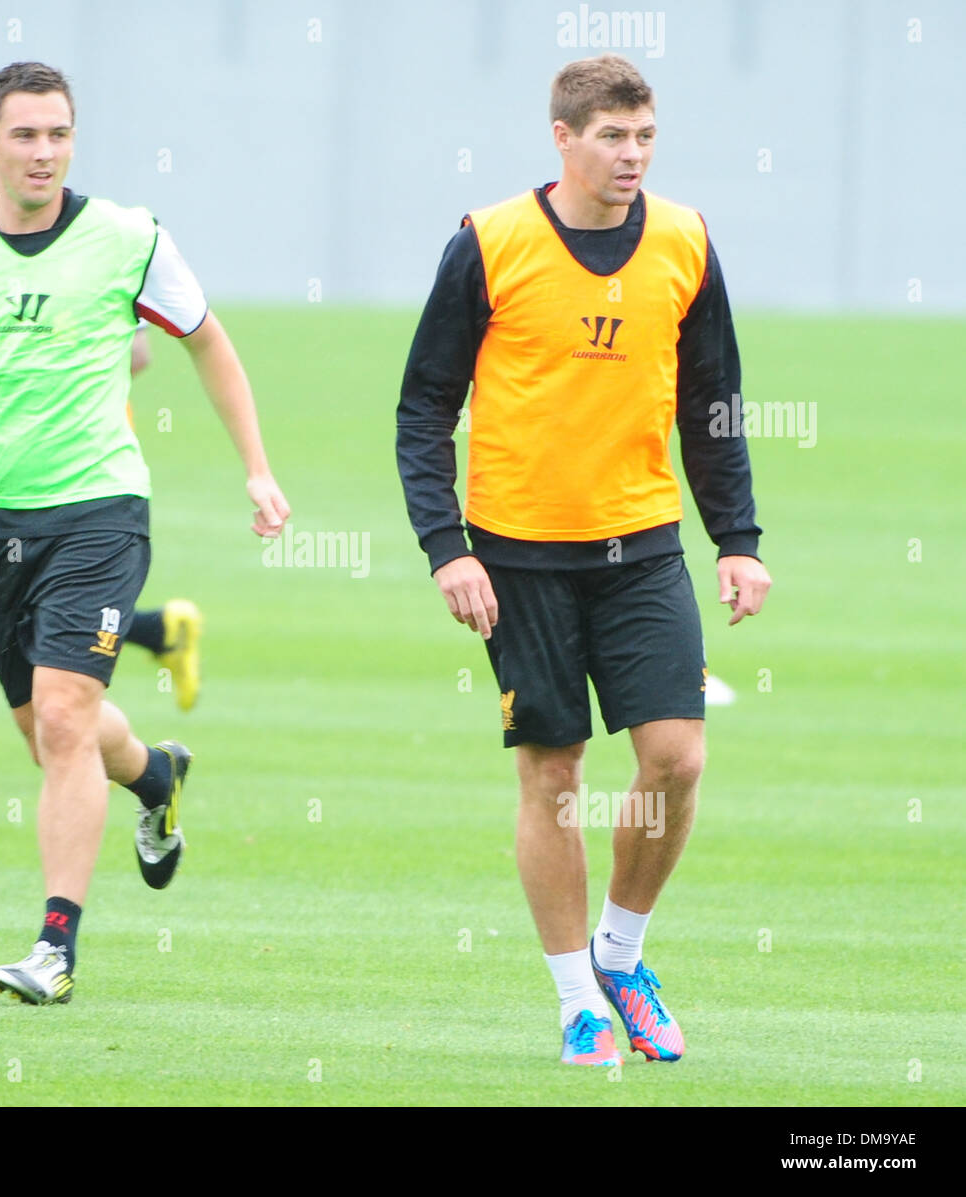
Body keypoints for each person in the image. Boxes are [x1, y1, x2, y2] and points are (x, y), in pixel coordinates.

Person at [0, 61, 290, 1005]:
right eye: (24, 135)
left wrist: (257, 469)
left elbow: (206, 342)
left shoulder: (129, 236)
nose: (44, 152)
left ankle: (54, 947)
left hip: (101, 509)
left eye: (59, 134)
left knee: (64, 717)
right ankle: (156, 777)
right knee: (49, 732)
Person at [396, 54, 770, 1065]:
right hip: (516, 558)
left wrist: (736, 542)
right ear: (562, 137)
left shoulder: (686, 241)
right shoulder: (489, 243)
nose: (630, 155)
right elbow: (423, 407)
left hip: (641, 548)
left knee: (675, 757)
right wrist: (448, 551)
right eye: (611, 137)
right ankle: (576, 1003)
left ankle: (623, 952)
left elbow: (712, 405)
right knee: (552, 775)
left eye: (643, 136)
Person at [0, 160, 205, 712]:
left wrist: (64, 355)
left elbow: (143, 351)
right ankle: (160, 631)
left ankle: (162, 632)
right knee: (45, 624)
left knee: (59, 634)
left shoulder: (98, 257)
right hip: (16, 471)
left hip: (89, 461)